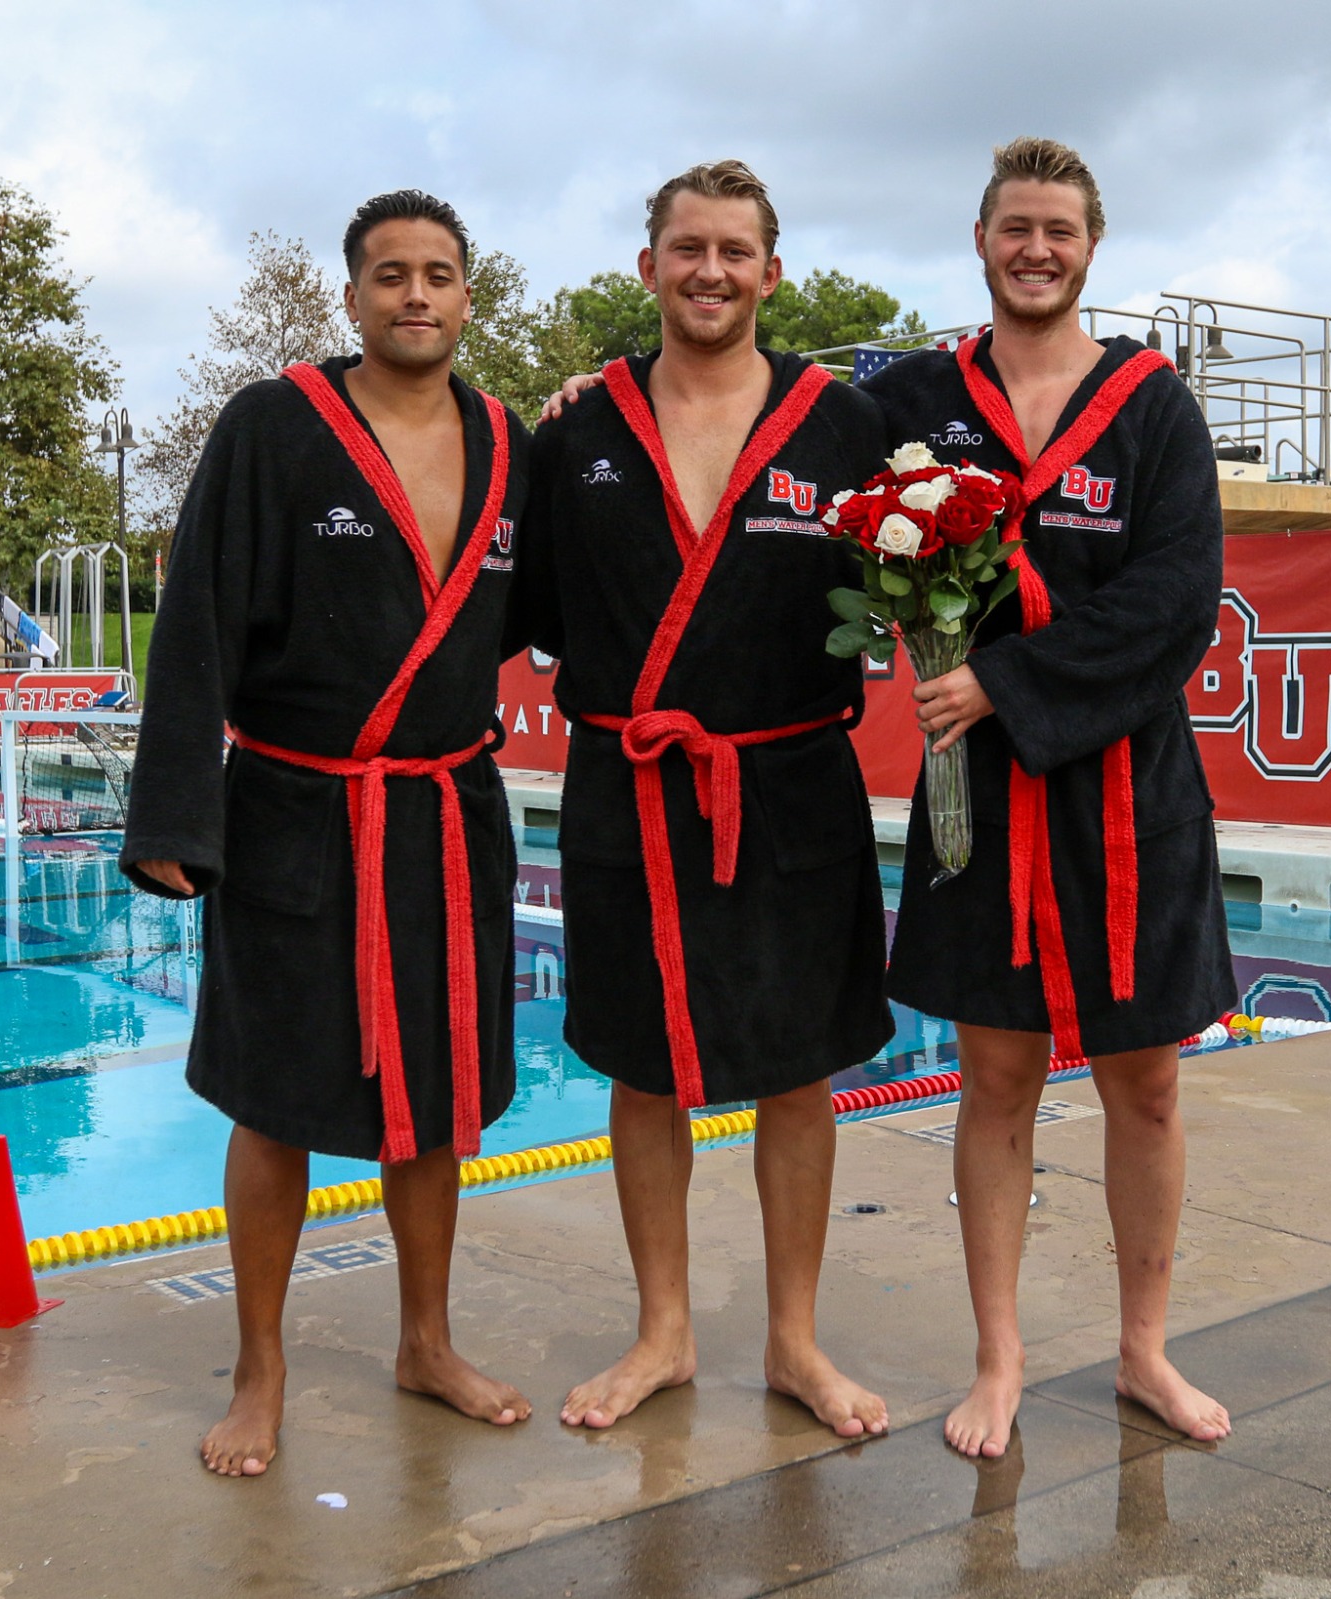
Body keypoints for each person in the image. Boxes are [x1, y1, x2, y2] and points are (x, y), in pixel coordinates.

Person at [121, 189, 534, 1477]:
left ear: (470, 297)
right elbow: (193, 616)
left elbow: (542, 610)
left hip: (445, 812)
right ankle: (260, 1365)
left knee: (434, 1104)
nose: (417, 295)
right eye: (391, 275)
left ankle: (424, 1341)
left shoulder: (509, 445)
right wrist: (177, 810)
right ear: (350, 296)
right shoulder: (274, 428)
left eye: (440, 275)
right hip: (298, 810)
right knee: (275, 1100)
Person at [854, 137, 1238, 1455]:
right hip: (981, 797)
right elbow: (777, 444)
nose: (1036, 249)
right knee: (996, 1075)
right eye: (1014, 226)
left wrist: (1005, 682)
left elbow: (1178, 598)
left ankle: (1143, 1348)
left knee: (1148, 1084)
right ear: (979, 239)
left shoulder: (1152, 407)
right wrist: (600, 395)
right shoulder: (911, 392)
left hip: (1130, 787)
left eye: (1059, 231)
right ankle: (1000, 1358)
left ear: (1090, 248)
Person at [517, 160, 894, 1438]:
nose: (711, 272)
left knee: (798, 1071)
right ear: (649, 269)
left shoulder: (843, 429)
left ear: (771, 273)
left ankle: (793, 1341)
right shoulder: (575, 436)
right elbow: (517, 610)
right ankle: (663, 1332)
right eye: (687, 249)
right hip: (630, 782)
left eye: (735, 251)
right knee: (641, 1065)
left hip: (789, 783)